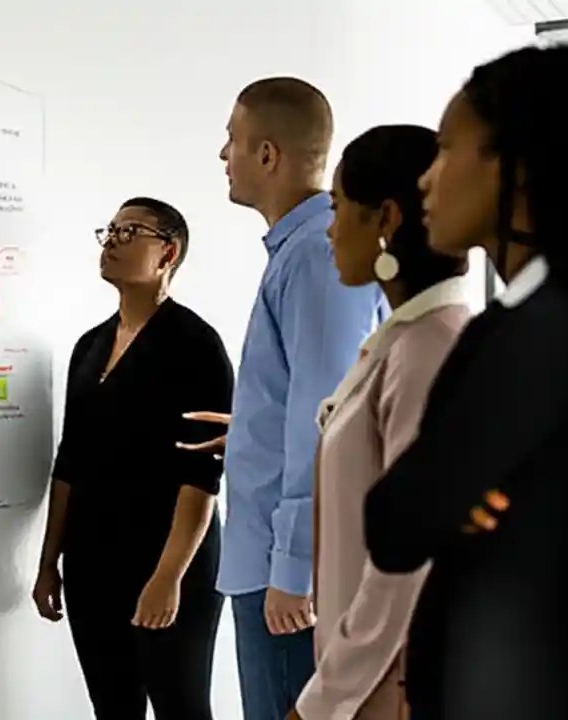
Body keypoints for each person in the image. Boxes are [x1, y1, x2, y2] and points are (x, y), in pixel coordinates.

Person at [363, 45, 568, 719]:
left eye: (447, 149)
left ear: (514, 166)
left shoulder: (544, 330)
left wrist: (446, 493)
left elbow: (397, 524)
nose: (426, 181)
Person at [181, 77, 384, 720]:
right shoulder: (299, 251)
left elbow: (326, 414)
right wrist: (249, 432)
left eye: (232, 140)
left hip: (286, 570)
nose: (223, 156)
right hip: (272, 555)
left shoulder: (318, 256)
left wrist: (293, 566)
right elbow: (309, 398)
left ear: (267, 155)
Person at [289, 125, 471, 720]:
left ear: (386, 218)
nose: (330, 227)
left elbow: (405, 567)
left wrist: (320, 704)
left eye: (339, 207)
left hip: (392, 686)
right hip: (367, 681)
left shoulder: (430, 349)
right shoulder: (398, 342)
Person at [32, 198, 233, 719]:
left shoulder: (196, 344)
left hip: (170, 562)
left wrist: (168, 578)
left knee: (180, 707)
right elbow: (69, 462)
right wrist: (48, 560)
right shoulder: (89, 346)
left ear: (167, 252)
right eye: (110, 231)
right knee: (113, 707)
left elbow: (201, 475)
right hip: (92, 563)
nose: (111, 242)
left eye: (129, 232)